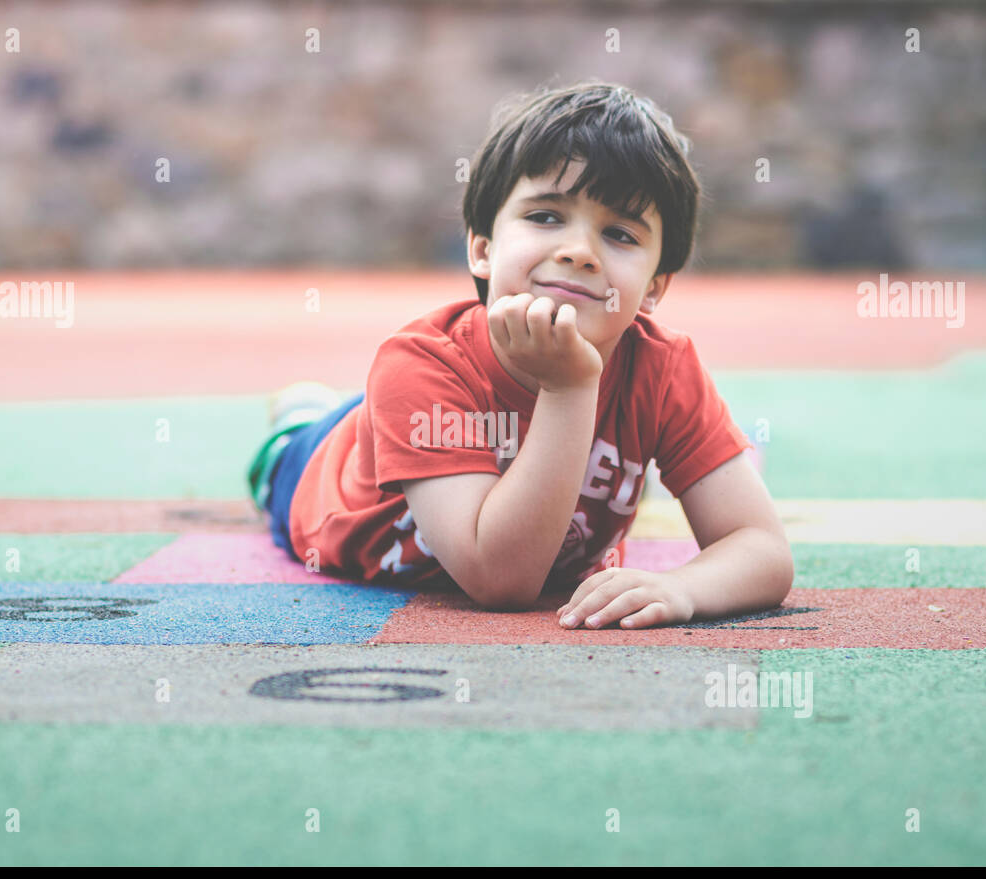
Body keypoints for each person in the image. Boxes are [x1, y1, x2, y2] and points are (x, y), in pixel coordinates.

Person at [247, 80, 792, 629]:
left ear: (654, 288)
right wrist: (570, 388)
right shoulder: (419, 364)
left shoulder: (663, 368)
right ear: (483, 249)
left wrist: (684, 588)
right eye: (546, 217)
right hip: (319, 467)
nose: (578, 252)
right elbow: (501, 579)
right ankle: (302, 411)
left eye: (621, 234)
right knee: (289, 443)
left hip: (441, 429)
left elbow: (763, 550)